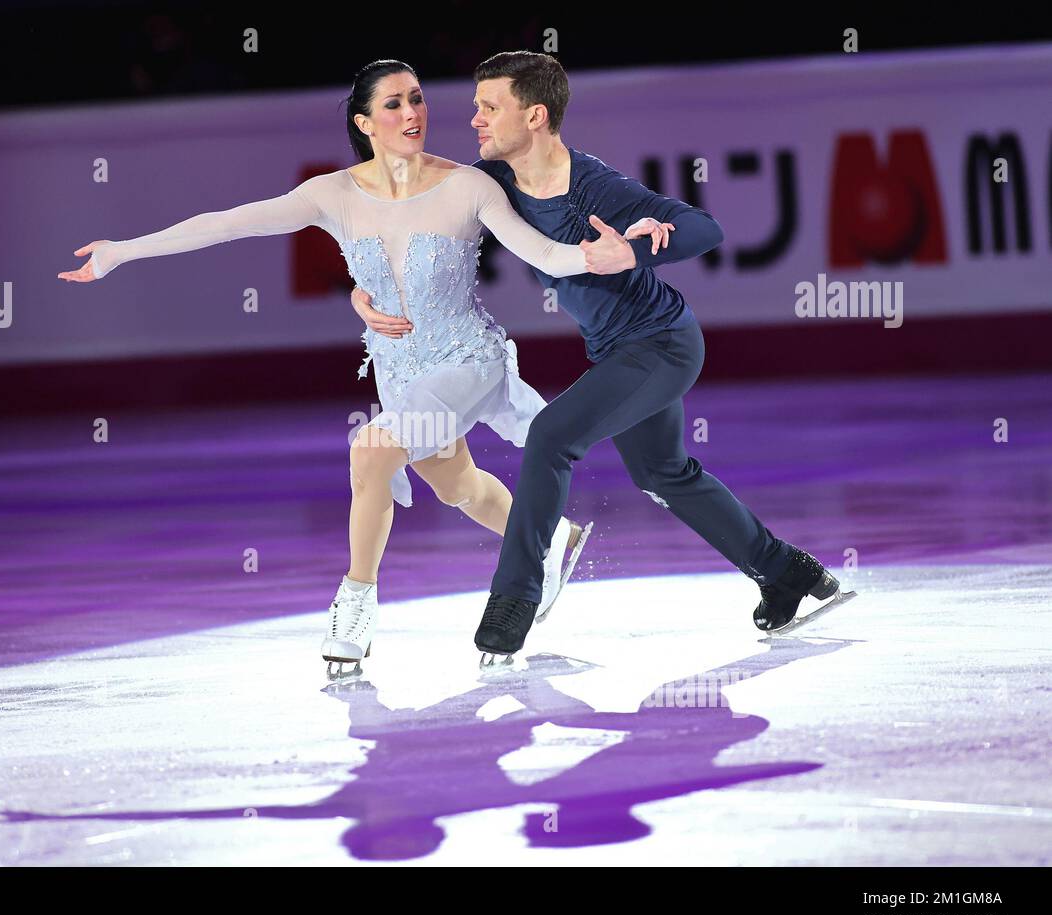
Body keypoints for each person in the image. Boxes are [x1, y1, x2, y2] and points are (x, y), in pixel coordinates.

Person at [58, 59, 632, 674]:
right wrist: (122, 252)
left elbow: (542, 252)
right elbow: (227, 225)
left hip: (468, 359)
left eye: (416, 98)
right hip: (402, 374)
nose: (411, 113)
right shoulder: (331, 195)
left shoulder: (470, 186)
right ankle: (554, 544)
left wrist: (603, 255)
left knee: (372, 449)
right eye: (393, 104)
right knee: (456, 485)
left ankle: (356, 600)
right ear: (365, 122)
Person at [351, 52, 855, 662]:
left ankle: (514, 599)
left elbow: (703, 228)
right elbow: (412, 224)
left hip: (662, 344)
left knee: (551, 436)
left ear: (534, 115)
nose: (475, 120)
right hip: (618, 352)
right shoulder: (496, 183)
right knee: (662, 474)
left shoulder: (595, 187)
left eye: (490, 107)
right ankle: (789, 574)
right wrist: (365, 290)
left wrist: (634, 254)